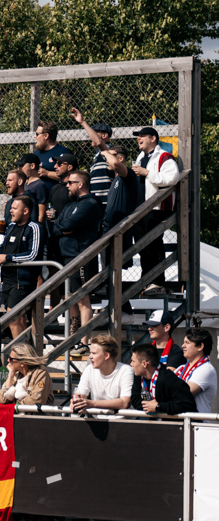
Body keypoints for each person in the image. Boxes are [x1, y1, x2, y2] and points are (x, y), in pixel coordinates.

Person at [128, 342, 197, 521]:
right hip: (154, 439)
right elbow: (134, 399)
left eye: (133, 361)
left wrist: (160, 407)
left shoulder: (169, 380)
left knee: (179, 488)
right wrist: (147, 405)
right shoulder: (140, 379)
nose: (131, 365)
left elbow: (187, 406)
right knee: (158, 487)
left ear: (145, 363)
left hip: (175, 441)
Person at [132, 126, 181, 294]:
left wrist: (147, 172)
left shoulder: (165, 157)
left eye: (142, 136)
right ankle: (146, 280)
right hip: (140, 209)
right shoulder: (141, 157)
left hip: (155, 208)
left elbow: (171, 178)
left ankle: (158, 282)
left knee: (154, 243)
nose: (139, 139)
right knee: (142, 245)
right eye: (138, 136)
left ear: (153, 138)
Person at [0, 195, 42, 343]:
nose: (10, 211)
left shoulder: (34, 228)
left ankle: (20, 354)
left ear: (25, 211)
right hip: (7, 279)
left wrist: (8, 258)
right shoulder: (11, 227)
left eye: (14, 208)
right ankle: (26, 352)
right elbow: (3, 247)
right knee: (18, 320)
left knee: (12, 319)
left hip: (22, 282)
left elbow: (33, 255)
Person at [53, 170, 103, 332]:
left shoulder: (90, 204)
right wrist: (64, 227)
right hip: (66, 258)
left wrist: (65, 227)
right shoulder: (70, 205)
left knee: (82, 299)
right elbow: (57, 226)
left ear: (80, 185)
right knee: (70, 298)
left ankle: (84, 340)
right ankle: (73, 334)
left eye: (70, 183)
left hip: (81, 257)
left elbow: (66, 225)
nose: (67, 185)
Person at [69, 108, 115, 204]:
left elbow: (98, 142)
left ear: (104, 135)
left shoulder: (107, 151)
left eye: (94, 133)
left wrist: (82, 122)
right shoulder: (97, 154)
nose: (90, 136)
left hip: (105, 202)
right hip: (98, 201)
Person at [101, 146, 140, 241]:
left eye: (111, 157)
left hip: (121, 228)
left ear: (121, 158)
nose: (107, 161)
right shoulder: (114, 179)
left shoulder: (128, 175)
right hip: (109, 228)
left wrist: (105, 152)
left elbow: (114, 163)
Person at [179, 328, 217, 414]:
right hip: (182, 423)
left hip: (197, 425)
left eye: (187, 343)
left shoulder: (206, 369)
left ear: (200, 346)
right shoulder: (181, 368)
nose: (182, 345)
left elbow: (182, 393)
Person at [143, 306, 185, 370]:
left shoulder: (176, 352)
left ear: (167, 327)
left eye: (154, 325)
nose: (149, 328)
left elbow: (167, 377)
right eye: (149, 325)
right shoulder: (147, 351)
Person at [16, 154, 50, 221]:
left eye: (22, 165)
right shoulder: (24, 184)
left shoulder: (39, 185)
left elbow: (41, 214)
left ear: (32, 166)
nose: (19, 168)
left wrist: (37, 228)